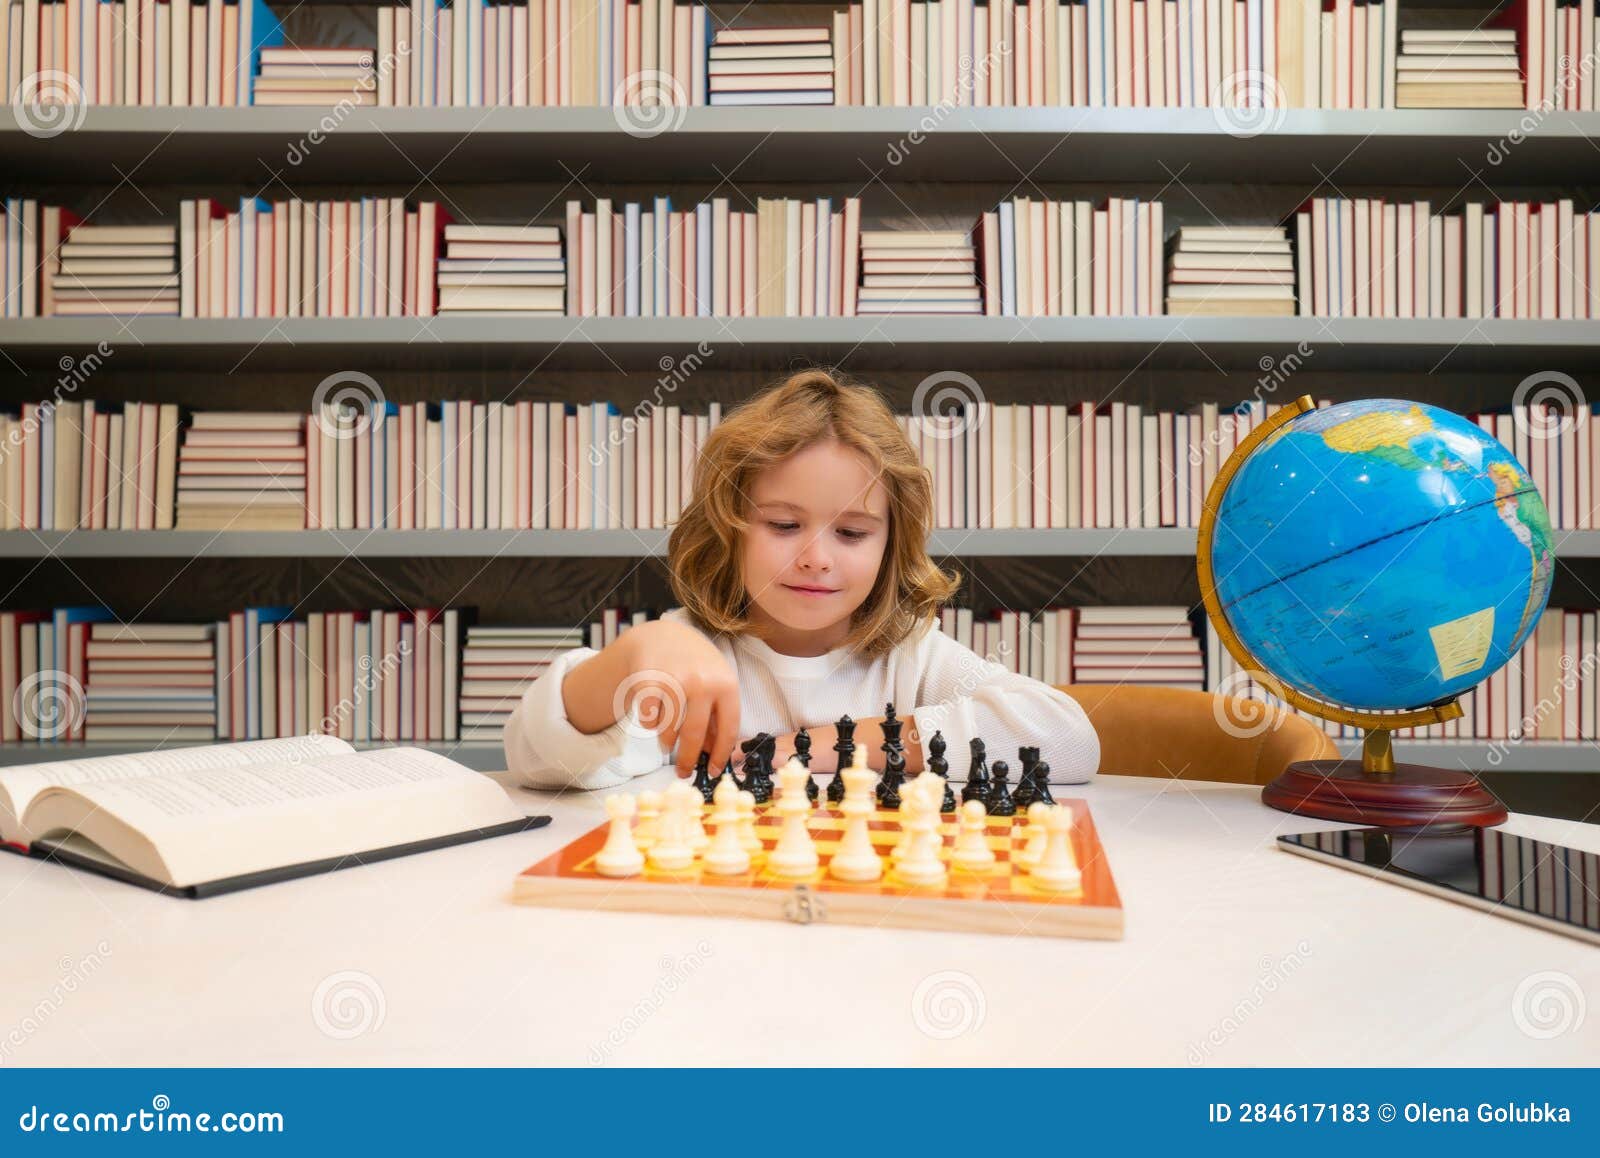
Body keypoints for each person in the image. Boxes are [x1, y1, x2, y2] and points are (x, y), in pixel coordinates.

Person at [504, 368, 1100, 790]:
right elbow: (537, 758)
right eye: (785, 524)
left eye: (851, 533)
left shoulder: (910, 659)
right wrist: (631, 655)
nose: (817, 558)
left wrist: (819, 747)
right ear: (728, 529)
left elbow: (1070, 737)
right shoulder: (691, 655)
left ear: (892, 547)